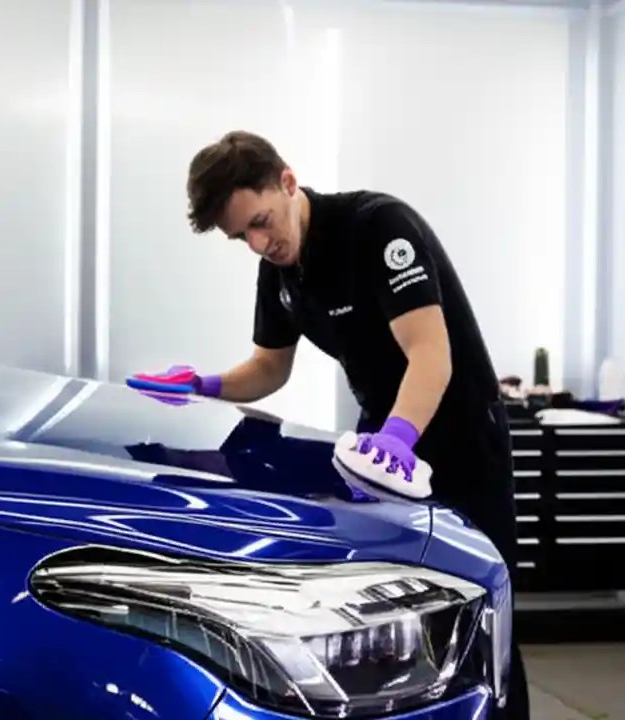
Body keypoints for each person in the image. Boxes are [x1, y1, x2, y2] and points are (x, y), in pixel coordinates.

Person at [131, 130, 529, 719]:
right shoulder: (281, 267)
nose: (260, 243)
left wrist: (399, 437)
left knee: (481, 614)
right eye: (243, 236)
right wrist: (202, 386)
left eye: (262, 222)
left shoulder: (379, 228)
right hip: (384, 438)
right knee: (399, 612)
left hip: (459, 433)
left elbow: (429, 355)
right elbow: (269, 368)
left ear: (288, 181)